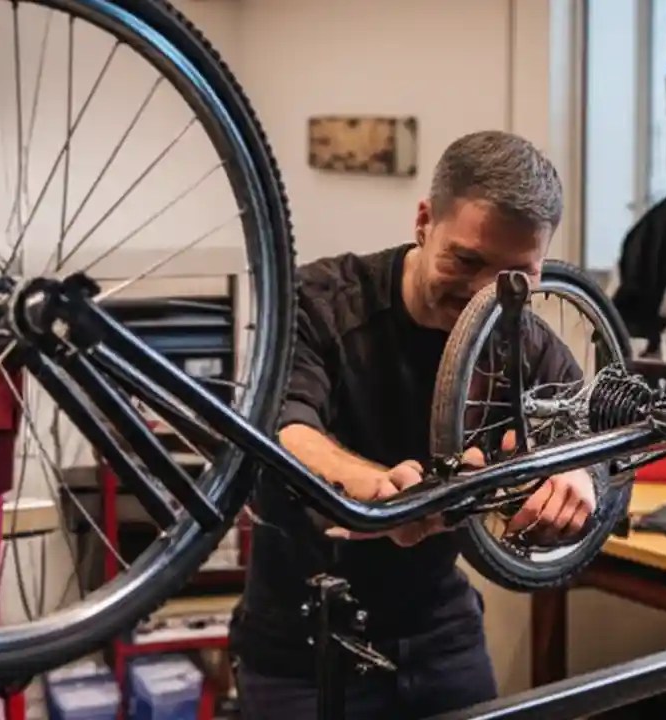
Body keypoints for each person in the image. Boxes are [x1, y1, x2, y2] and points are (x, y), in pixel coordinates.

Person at [228, 130, 598, 719]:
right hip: (301, 641)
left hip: (439, 630)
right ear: (424, 221)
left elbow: (586, 430)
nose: (484, 296)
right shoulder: (320, 300)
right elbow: (284, 424)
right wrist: (376, 491)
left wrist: (579, 477)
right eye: (467, 260)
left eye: (516, 276)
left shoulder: (521, 338)